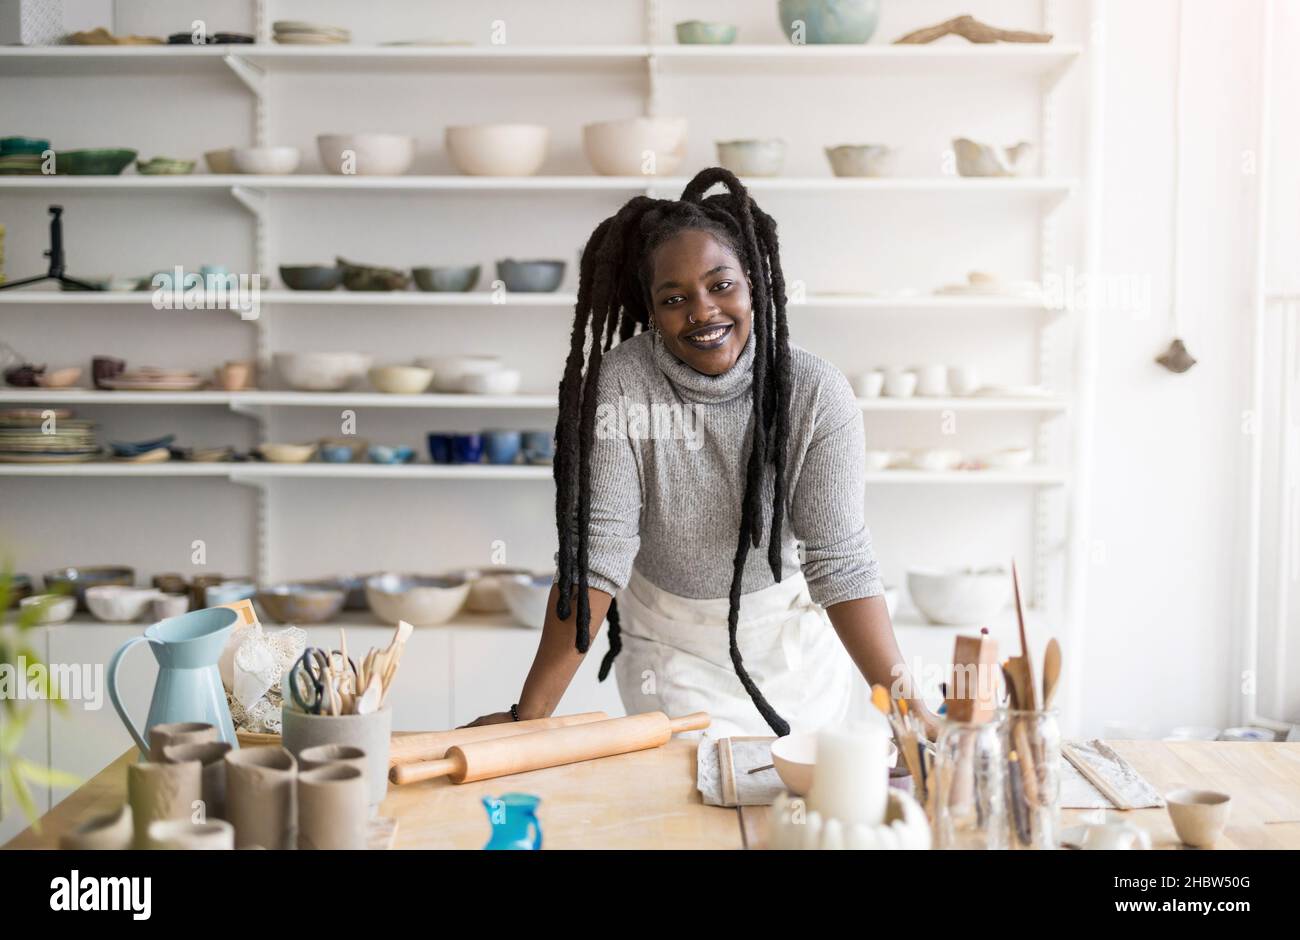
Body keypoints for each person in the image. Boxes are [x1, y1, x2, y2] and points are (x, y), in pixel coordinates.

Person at [467, 167, 938, 739]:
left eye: (721, 285)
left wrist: (912, 714)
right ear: (651, 309)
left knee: (785, 817)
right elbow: (596, 556)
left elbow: (840, 561)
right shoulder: (620, 386)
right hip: (670, 650)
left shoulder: (815, 394)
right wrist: (529, 717)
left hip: (790, 655)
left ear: (754, 285)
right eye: (675, 298)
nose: (703, 310)